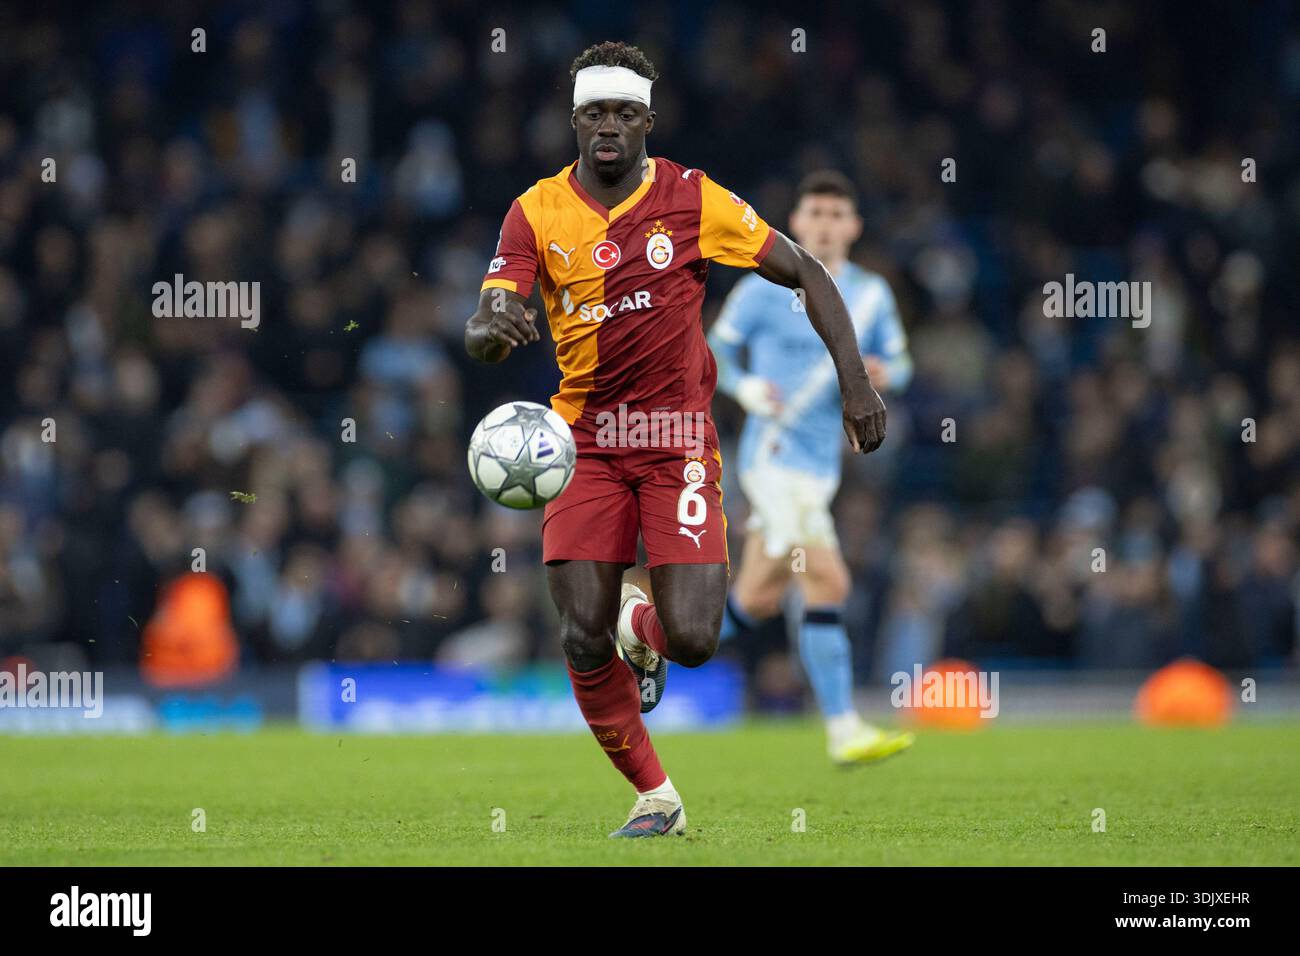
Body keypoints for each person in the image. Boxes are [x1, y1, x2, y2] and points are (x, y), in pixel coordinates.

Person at [463, 43, 887, 837]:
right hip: (583, 442)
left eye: (626, 113)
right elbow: (490, 320)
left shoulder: (694, 200)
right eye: (597, 114)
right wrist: (490, 326)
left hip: (675, 441)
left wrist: (854, 382)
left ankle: (646, 631)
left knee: (692, 639)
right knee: (581, 631)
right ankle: (656, 795)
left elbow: (810, 275)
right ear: (576, 122)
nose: (611, 127)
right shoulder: (535, 211)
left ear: (647, 121)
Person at [709, 170, 916, 766]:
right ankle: (844, 730)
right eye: (814, 214)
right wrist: (747, 390)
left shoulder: (873, 295)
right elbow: (715, 349)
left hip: (820, 467)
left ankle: (645, 646)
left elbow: (901, 366)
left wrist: (879, 374)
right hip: (771, 460)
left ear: (853, 226)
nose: (824, 224)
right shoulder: (762, 289)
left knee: (756, 597)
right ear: (795, 224)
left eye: (836, 215)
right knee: (829, 580)